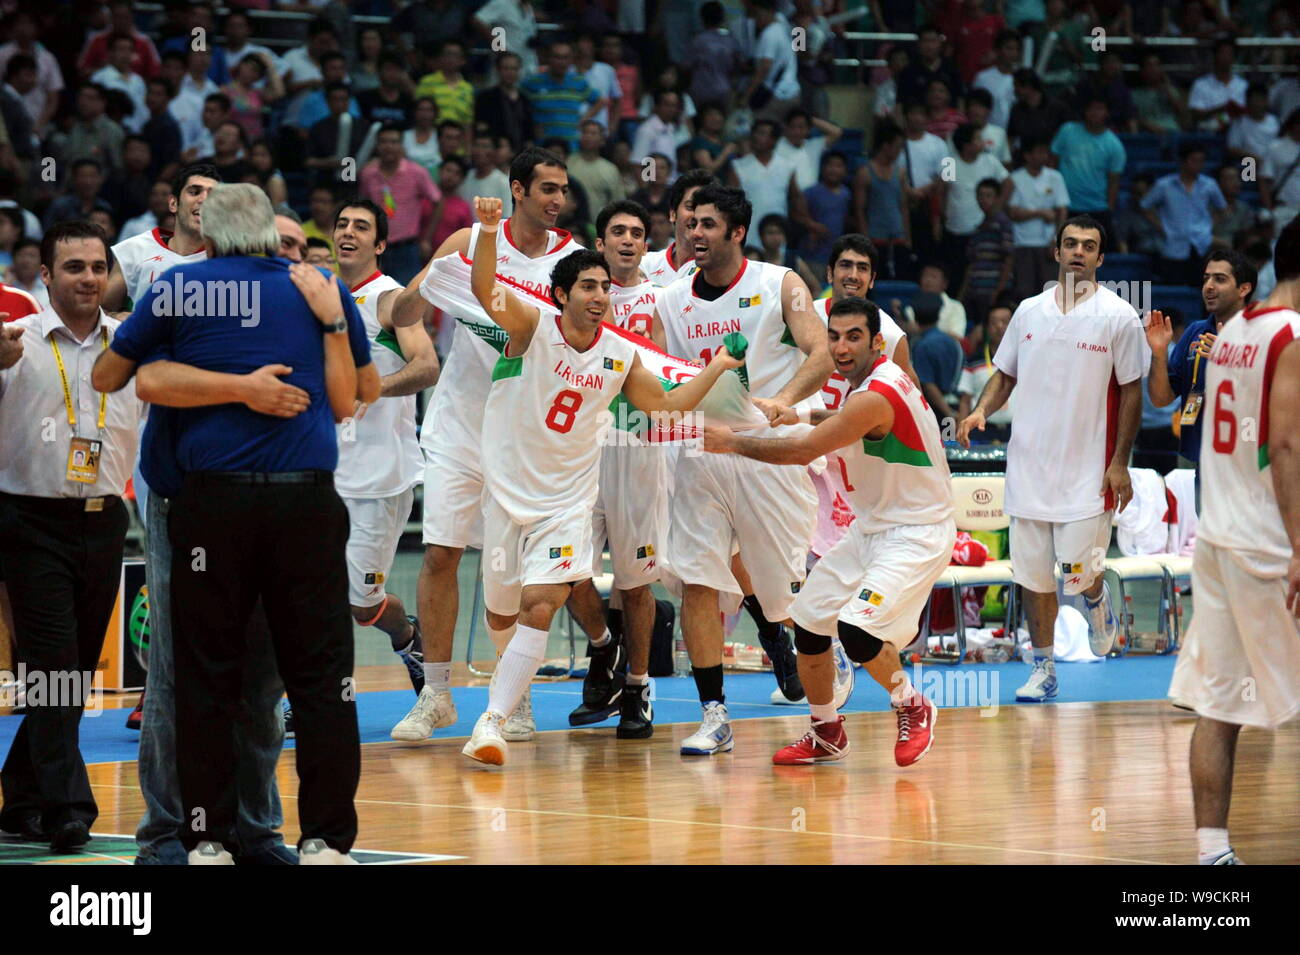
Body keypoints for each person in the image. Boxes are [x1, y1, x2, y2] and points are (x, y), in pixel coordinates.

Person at [89, 183, 378, 864]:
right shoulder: (323, 288)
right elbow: (351, 400)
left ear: (208, 234)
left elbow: (113, 376)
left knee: (203, 675)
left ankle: (206, 836)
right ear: (271, 235)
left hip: (209, 509)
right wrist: (327, 329)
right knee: (319, 680)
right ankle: (326, 840)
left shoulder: (176, 287)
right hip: (304, 501)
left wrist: (208, 378)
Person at [460, 195, 742, 764]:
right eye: (588, 287)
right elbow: (482, 289)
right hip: (508, 494)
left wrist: (715, 367)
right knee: (501, 614)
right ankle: (549, 679)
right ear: (562, 295)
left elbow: (667, 406)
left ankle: (491, 722)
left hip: (566, 501)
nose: (600, 297)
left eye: (604, 288)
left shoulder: (619, 354)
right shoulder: (530, 326)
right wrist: (489, 231)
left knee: (539, 604)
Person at [704, 297, 956, 767]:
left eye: (853, 336)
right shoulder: (866, 387)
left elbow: (807, 452)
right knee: (811, 624)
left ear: (878, 342)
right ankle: (826, 731)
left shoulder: (876, 393)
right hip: (873, 529)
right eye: (834, 336)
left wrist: (731, 442)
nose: (841, 347)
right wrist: (792, 413)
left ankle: (913, 704)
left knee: (857, 630)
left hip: (916, 532)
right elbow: (841, 422)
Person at [390, 148, 583, 743]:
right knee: (441, 553)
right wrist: (429, 279)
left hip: (522, 439)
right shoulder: (468, 242)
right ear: (517, 190)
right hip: (458, 425)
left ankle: (513, 696)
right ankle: (436, 695)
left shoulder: (574, 262)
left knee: (510, 577)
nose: (556, 200)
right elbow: (401, 312)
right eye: (546, 188)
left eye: (563, 190)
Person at [655, 185, 833, 755]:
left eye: (709, 224)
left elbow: (822, 352)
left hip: (766, 453)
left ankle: (826, 655)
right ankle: (714, 714)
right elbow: (662, 381)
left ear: (737, 232)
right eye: (691, 223)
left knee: (781, 596)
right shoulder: (669, 300)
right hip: (701, 453)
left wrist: (785, 400)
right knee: (699, 582)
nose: (696, 233)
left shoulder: (781, 283)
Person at [959, 216, 1149, 699]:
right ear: (1057, 252)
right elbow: (1004, 375)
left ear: (1101, 259)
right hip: (1028, 470)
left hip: (1089, 471)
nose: (1078, 252)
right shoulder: (1028, 311)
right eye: (1070, 244)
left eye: (1089, 246)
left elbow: (1131, 394)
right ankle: (1043, 669)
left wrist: (1120, 461)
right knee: (1035, 577)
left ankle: (1096, 597)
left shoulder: (1119, 316)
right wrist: (981, 409)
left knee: (1078, 570)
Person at [0, 221, 143, 853]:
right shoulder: (14, 341)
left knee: (71, 673)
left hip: (104, 518)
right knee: (52, 668)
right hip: (28, 522)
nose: (87, 277)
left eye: (95, 267)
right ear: (46, 278)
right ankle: (67, 808)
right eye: (74, 267)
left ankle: (20, 794)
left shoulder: (133, 344)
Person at [1165, 218, 1300, 866]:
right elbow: (1284, 444)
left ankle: (1212, 853)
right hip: (1268, 546)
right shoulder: (1292, 336)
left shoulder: (1234, 333)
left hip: (1217, 537)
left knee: (1220, 704)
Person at [563, 199, 665, 736]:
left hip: (638, 450)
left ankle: (637, 686)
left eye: (637, 233)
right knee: (568, 572)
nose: (628, 239)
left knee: (636, 580)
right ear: (598, 244)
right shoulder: (577, 293)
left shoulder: (663, 298)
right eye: (617, 232)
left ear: (647, 245)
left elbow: (674, 370)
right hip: (580, 450)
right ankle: (604, 647)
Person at [330, 198, 439, 698]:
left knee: (361, 603)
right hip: (321, 474)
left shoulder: (390, 300)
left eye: (361, 227)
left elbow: (426, 366)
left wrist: (370, 388)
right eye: (342, 224)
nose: (347, 232)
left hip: (378, 480)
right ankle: (320, 697)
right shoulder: (321, 297)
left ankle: (408, 636)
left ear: (378, 245)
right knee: (311, 594)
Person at [1146, 250, 1257, 484]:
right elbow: (1161, 399)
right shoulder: (1196, 332)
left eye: (1220, 279)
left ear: (1244, 289)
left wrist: (1230, 359)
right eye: (1206, 278)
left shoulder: (1262, 332)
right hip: (1200, 460)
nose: (1208, 286)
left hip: (1248, 464)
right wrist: (1158, 354)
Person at [106, 163, 218, 313]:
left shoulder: (227, 259)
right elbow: (101, 312)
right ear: (173, 203)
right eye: (194, 192)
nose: (203, 199)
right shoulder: (135, 249)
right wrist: (119, 318)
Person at [359, 126, 440, 285]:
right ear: (377, 146)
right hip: (376, 248)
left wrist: (427, 239)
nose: (389, 146)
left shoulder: (417, 172)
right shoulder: (368, 174)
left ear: (402, 146)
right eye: (384, 142)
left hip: (407, 249)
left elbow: (437, 201)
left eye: (394, 142)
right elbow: (363, 208)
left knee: (405, 299)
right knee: (375, 299)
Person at [1141, 141, 1228, 288]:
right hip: (1173, 244)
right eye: (1193, 160)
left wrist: (1207, 226)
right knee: (1173, 287)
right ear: (1182, 161)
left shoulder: (1209, 184)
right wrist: (1162, 227)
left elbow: (1222, 209)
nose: (1197, 164)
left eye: (1201, 161)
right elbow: (1145, 206)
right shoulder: (1164, 185)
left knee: (1201, 289)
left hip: (1201, 243)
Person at [939, 124, 1009, 292]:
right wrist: (941, 217)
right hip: (955, 228)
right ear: (966, 144)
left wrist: (996, 210)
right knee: (956, 272)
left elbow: (1008, 183)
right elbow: (941, 192)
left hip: (983, 229)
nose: (982, 142)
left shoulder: (990, 161)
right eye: (978, 139)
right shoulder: (950, 163)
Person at [1050, 97, 1126, 240]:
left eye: (1099, 109)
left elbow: (1114, 181)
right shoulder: (1067, 131)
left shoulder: (1114, 145)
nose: (1094, 113)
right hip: (1065, 206)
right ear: (1084, 111)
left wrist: (1108, 208)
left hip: (1097, 209)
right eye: (1091, 108)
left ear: (1107, 113)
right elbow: (1052, 163)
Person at [1007, 138, 1070, 302]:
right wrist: (1041, 213)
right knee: (1024, 292)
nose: (1045, 156)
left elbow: (1062, 210)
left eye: (1045, 152)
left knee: (1051, 292)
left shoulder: (1055, 177)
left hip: (1048, 244)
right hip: (1023, 243)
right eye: (1040, 152)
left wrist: (1057, 240)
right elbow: (1013, 212)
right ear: (1027, 155)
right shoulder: (1015, 178)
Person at [521, 40, 603, 154]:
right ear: (548, 58)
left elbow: (599, 101)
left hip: (571, 148)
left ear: (571, 60)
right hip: (542, 147)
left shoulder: (578, 82)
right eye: (557, 57)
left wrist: (583, 119)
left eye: (566, 57)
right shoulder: (533, 82)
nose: (561, 62)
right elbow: (517, 103)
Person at [641, 168, 715, 287]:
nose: (697, 216)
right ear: (673, 214)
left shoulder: (721, 271)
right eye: (690, 207)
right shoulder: (645, 264)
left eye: (705, 209)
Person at [957, 297, 1015, 443]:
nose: (999, 326)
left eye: (1005, 321)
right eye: (994, 322)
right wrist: (961, 430)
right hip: (982, 432)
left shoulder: (1024, 358)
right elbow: (965, 400)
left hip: (1016, 431)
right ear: (986, 328)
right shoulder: (973, 361)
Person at [745, 0, 800, 123]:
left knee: (762, 132)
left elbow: (764, 68)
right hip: (793, 91)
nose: (756, 20)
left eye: (757, 15)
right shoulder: (786, 26)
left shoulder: (769, 34)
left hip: (775, 95)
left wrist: (747, 95)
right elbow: (799, 49)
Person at [567, 121, 626, 219]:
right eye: (585, 132)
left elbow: (618, 203)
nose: (588, 136)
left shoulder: (611, 170)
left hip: (598, 225)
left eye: (593, 133)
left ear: (602, 140)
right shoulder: (568, 163)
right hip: (570, 225)